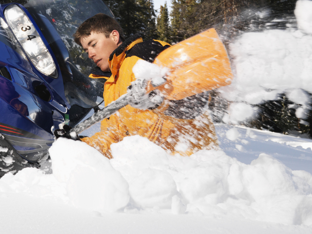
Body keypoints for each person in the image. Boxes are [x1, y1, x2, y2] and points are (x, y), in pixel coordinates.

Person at [72, 13, 219, 158]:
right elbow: (115, 136)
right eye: (86, 50)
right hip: (153, 170)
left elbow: (198, 97)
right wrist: (81, 145)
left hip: (191, 162)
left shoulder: (146, 53)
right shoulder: (112, 84)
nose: (90, 54)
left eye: (93, 44)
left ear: (114, 36)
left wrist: (158, 101)